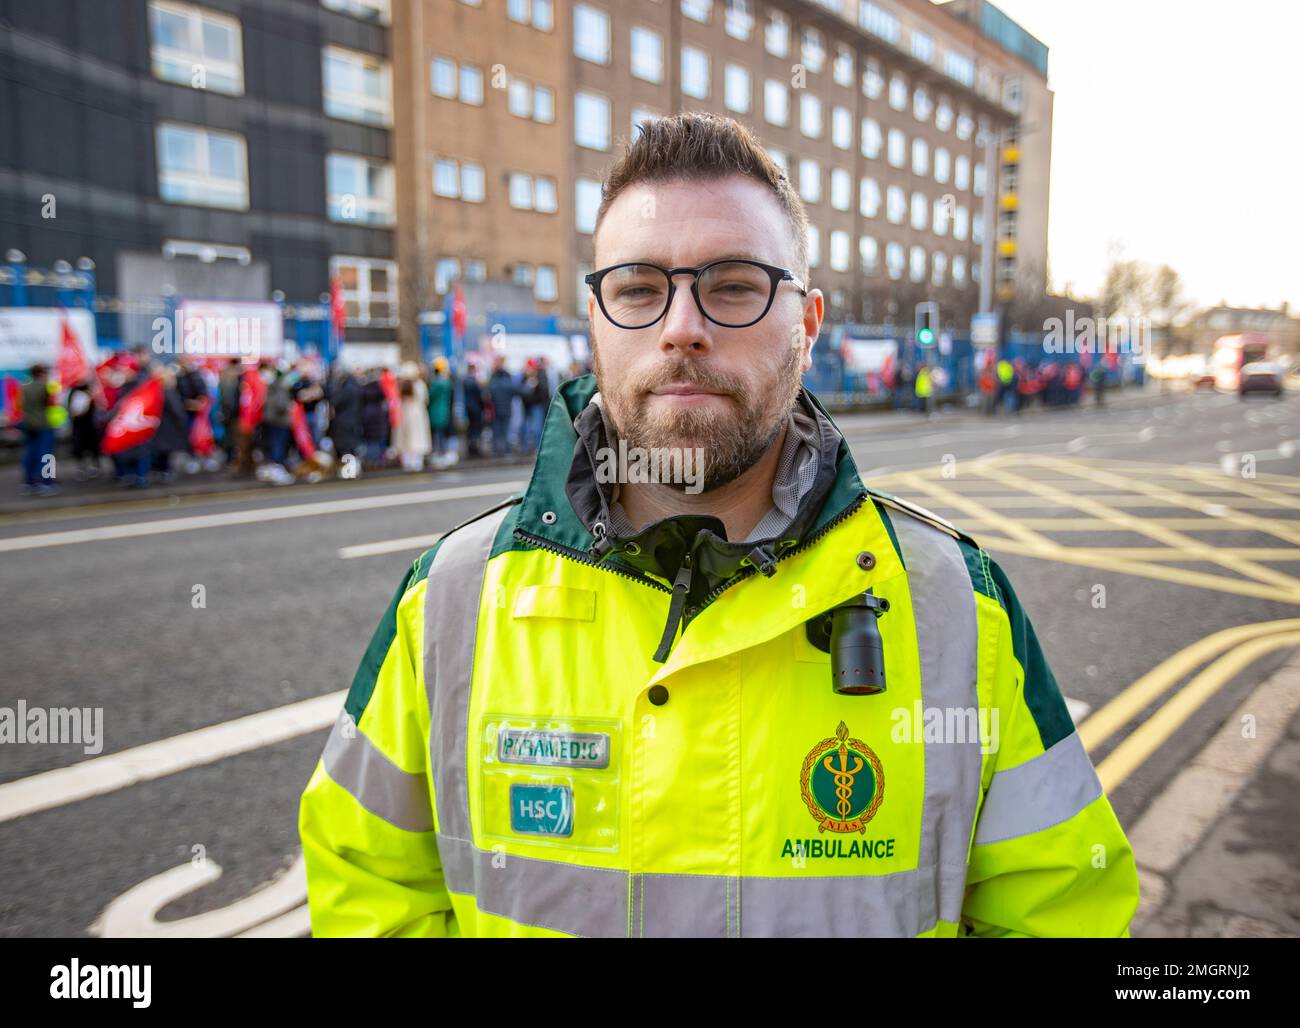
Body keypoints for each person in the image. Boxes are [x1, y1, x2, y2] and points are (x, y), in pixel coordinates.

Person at [300, 112, 1139, 938]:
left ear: (807, 326)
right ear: (595, 322)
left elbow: (1065, 917)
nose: (682, 329)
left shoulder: (965, 611)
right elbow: (370, 893)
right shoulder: (446, 602)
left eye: (733, 285)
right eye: (637, 289)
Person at [19, 364, 60, 496]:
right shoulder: (44, 386)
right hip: (43, 424)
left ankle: (29, 482)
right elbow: (52, 403)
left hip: (28, 424)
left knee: (30, 453)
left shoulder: (24, 387)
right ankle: (47, 483)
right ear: (41, 373)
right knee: (47, 455)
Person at [394, 361, 431, 471]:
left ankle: (407, 462)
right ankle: (417, 462)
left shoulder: (401, 386)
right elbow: (425, 399)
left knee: (405, 437)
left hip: (404, 412)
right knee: (418, 436)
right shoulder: (419, 384)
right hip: (417, 413)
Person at [487, 356, 518, 457]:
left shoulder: (493, 385)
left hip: (496, 411)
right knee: (506, 431)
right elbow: (520, 392)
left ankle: (495, 451)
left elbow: (487, 396)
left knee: (496, 431)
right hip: (507, 410)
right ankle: (507, 451)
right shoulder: (508, 384)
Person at [427, 356, 453, 466]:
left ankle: (438, 454)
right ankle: (443, 453)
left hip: (435, 412)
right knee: (442, 434)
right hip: (444, 412)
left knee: (437, 435)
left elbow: (429, 396)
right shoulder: (447, 382)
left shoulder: (435, 383)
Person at [461, 360, 486, 458]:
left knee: (470, 428)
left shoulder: (465, 380)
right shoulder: (474, 381)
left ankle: (470, 447)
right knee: (476, 429)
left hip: (469, 408)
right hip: (476, 408)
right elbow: (479, 396)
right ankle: (474, 448)